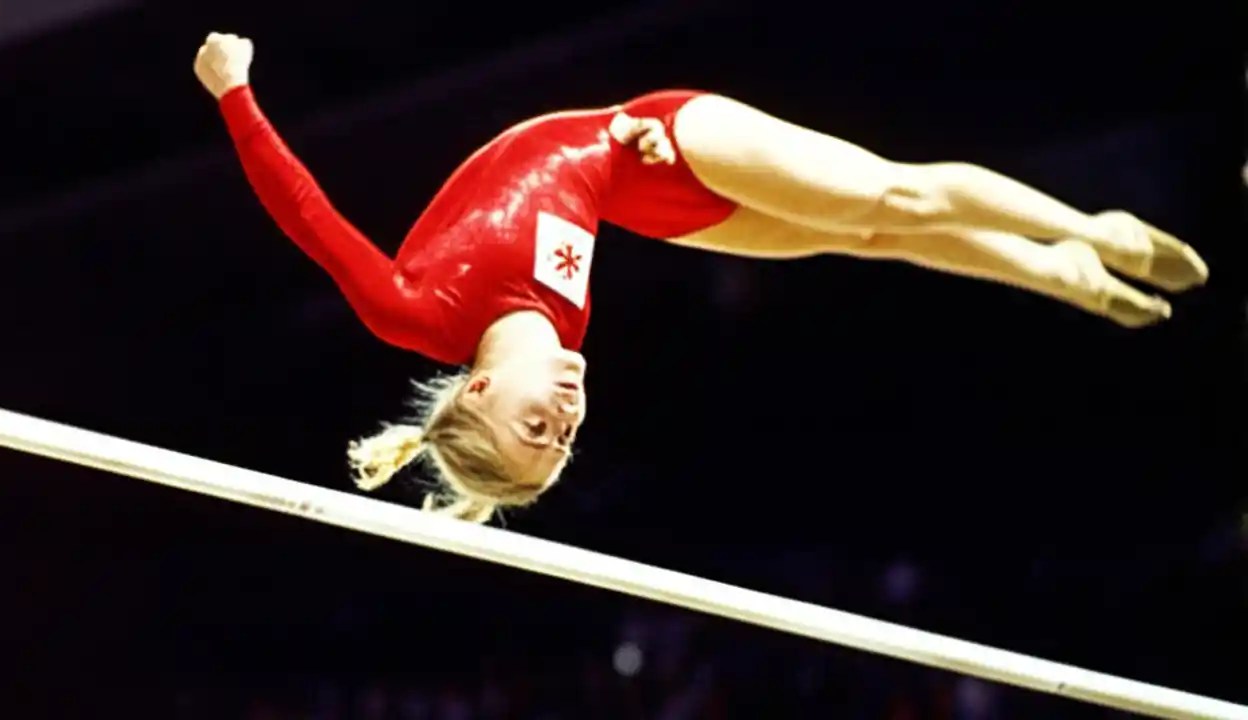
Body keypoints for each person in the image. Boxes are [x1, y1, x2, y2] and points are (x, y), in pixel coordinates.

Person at [194, 32, 1208, 523]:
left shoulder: (412, 312)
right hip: (642, 198)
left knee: (888, 200)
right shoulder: (560, 335)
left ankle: (1093, 225)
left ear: (476, 391)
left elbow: (309, 216)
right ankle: (1057, 273)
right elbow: (565, 206)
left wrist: (233, 91)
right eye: (565, 442)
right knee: (860, 239)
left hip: (654, 135)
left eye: (533, 428)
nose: (566, 418)